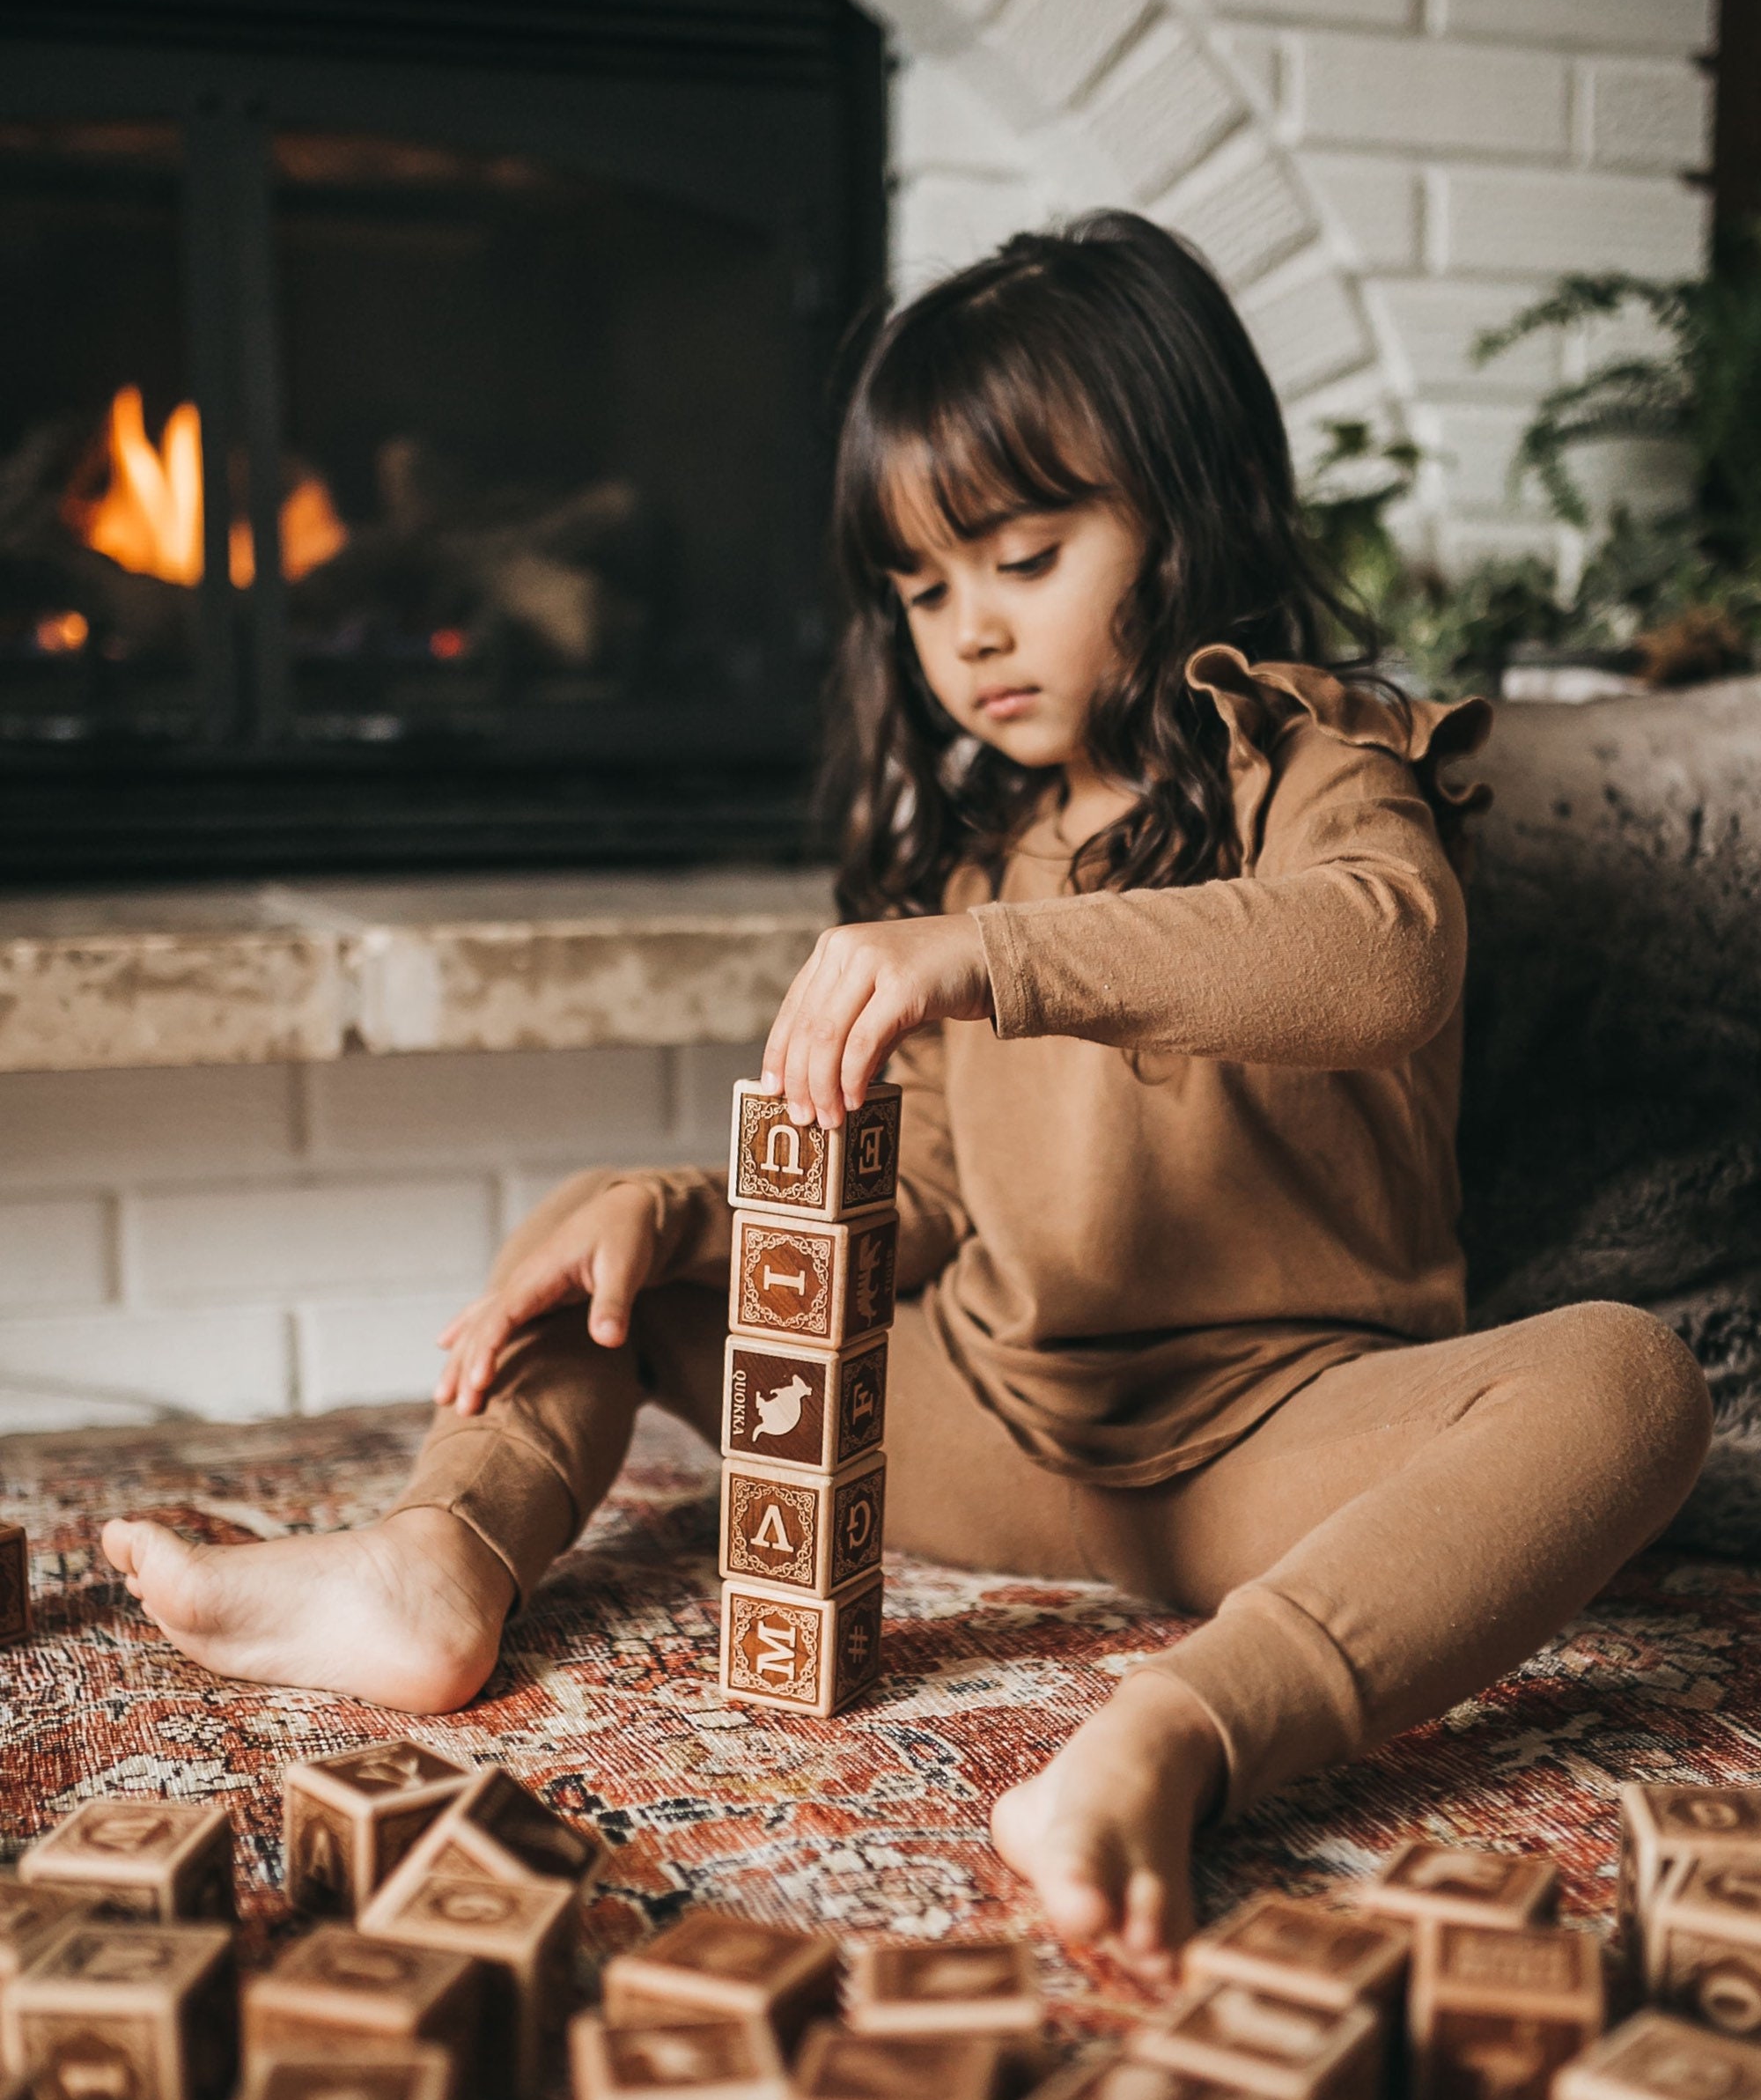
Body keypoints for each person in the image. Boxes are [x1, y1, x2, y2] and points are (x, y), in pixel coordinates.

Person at [102, 214, 1713, 1976]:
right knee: (598, 1240)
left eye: (1024, 554)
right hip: (991, 1429)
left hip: (1270, 1443)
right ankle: (436, 1566)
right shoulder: (963, 856)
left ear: (1190, 512)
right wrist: (690, 1216)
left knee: (1622, 1380)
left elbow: (1383, 960)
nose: (971, 631)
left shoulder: (1317, 760)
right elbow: (927, 1199)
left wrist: (995, 965)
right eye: (925, 588)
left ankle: (1178, 1735)